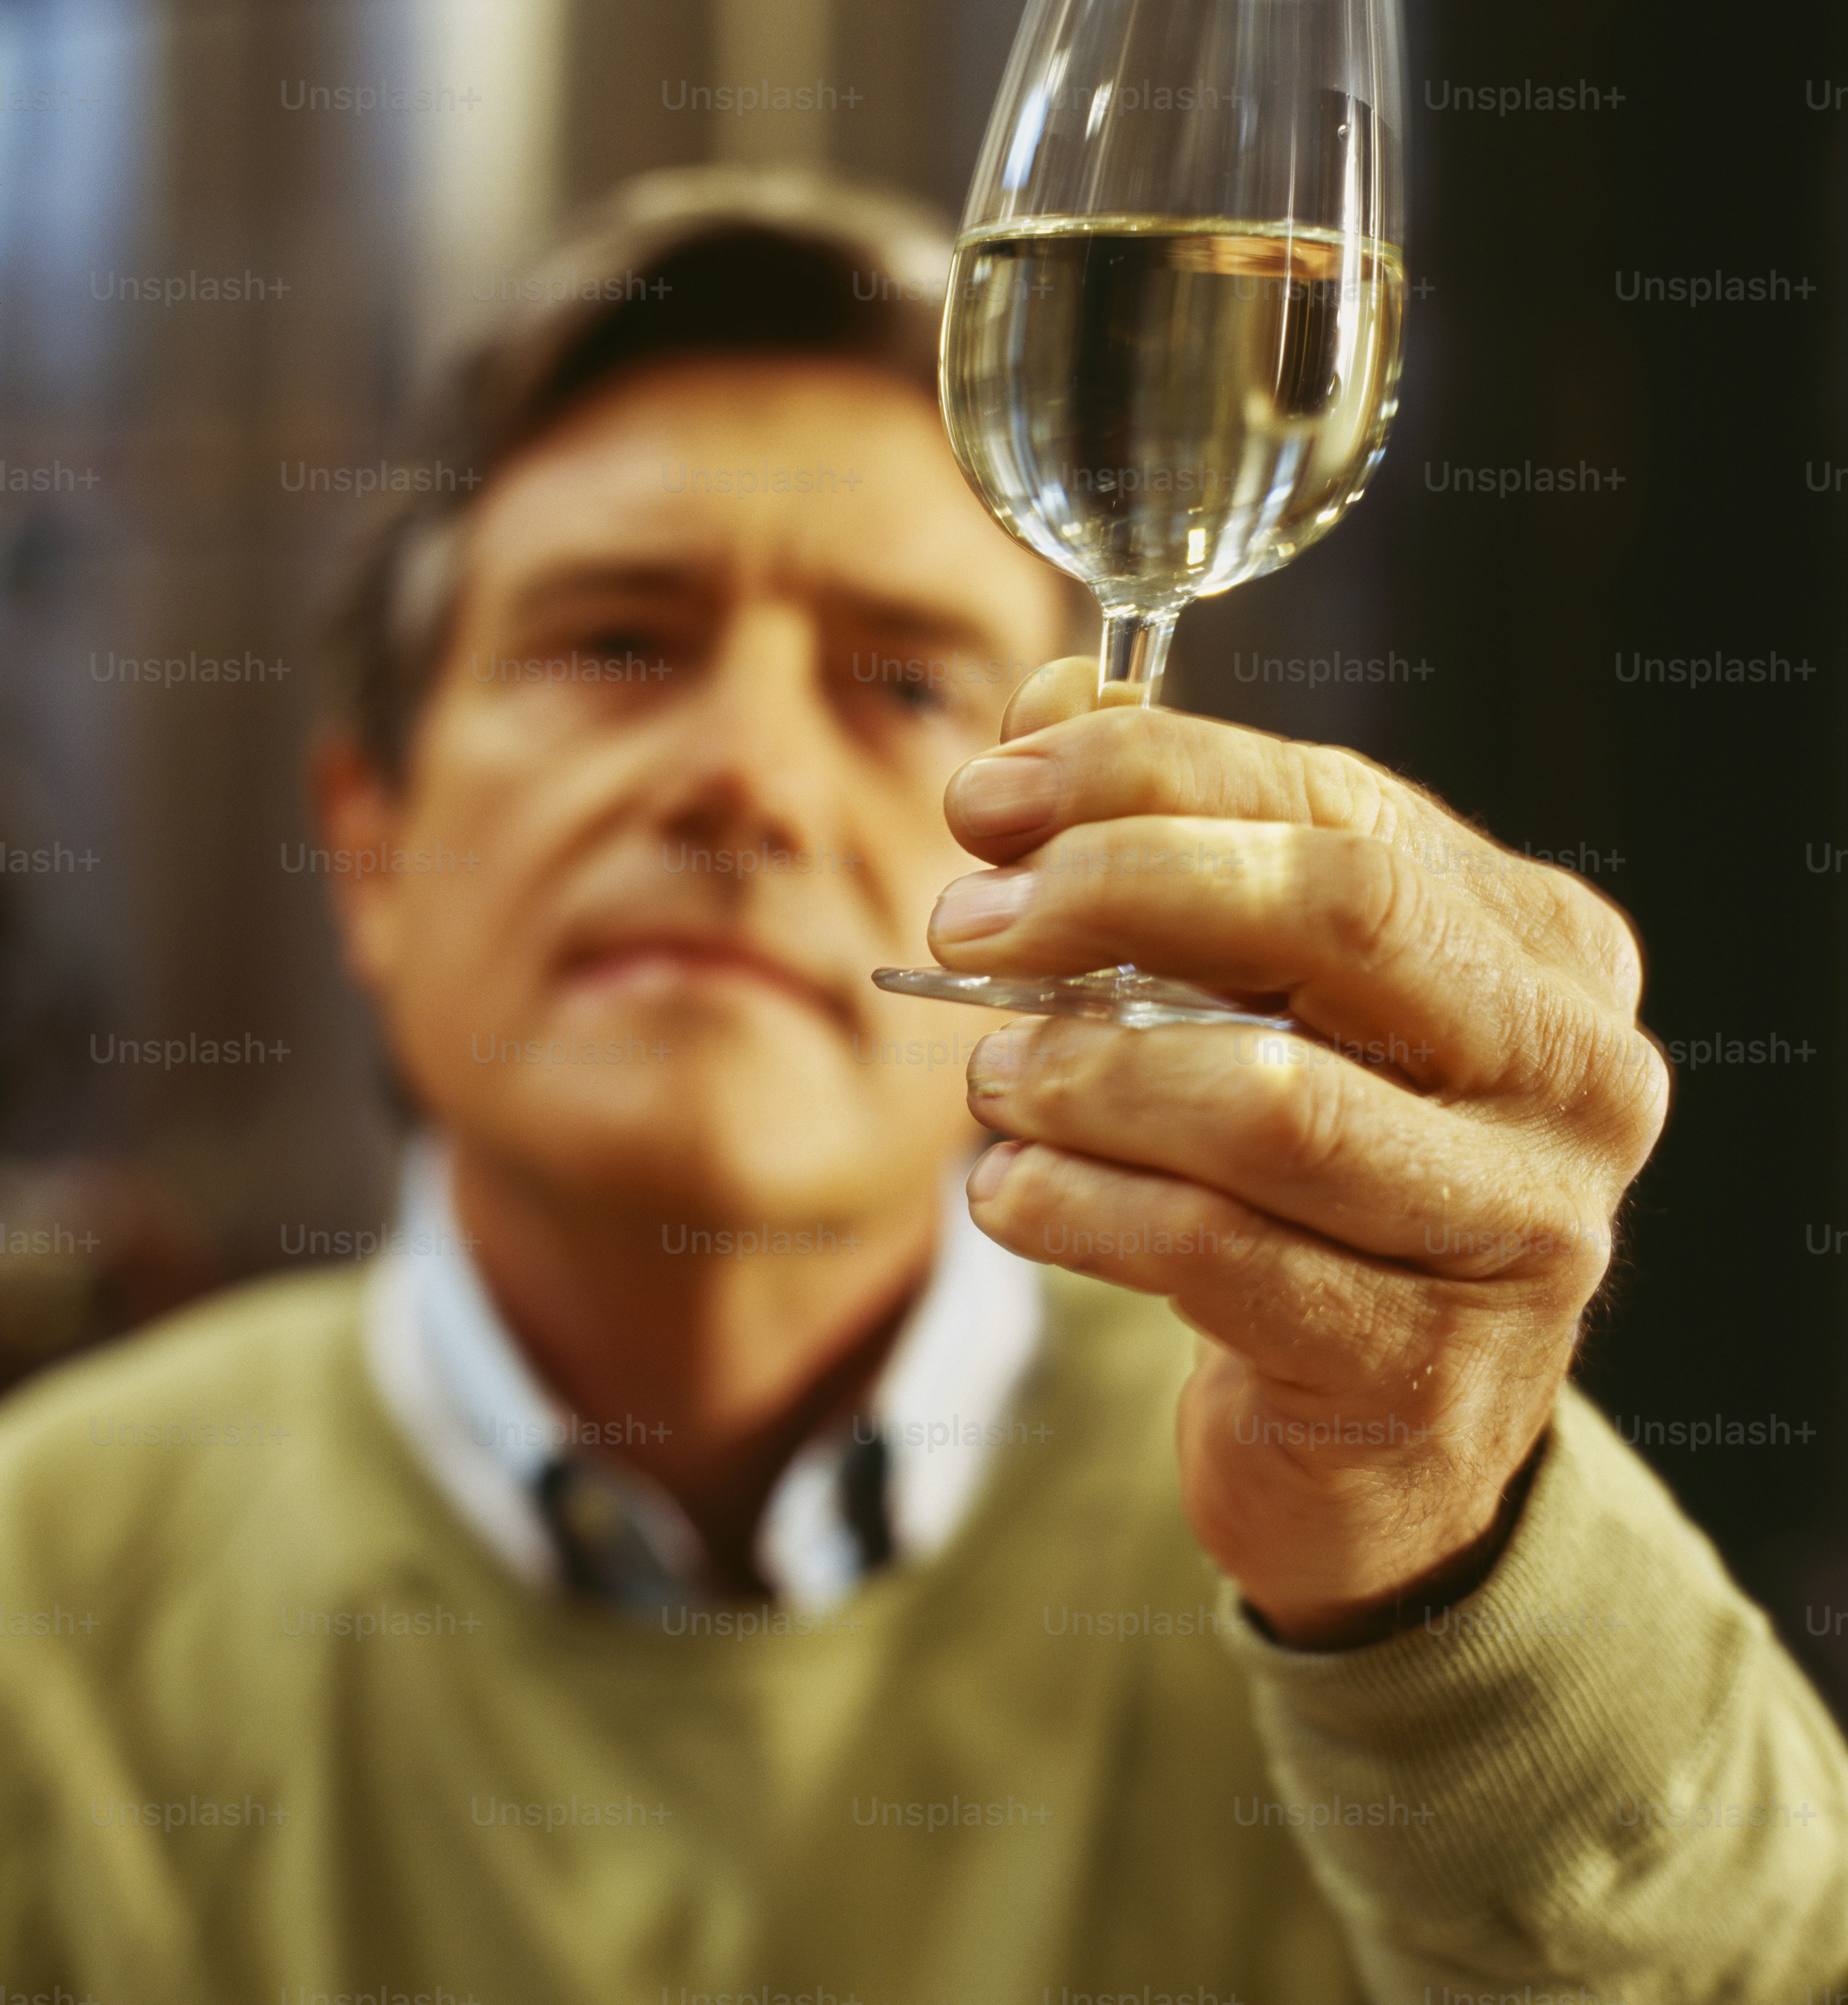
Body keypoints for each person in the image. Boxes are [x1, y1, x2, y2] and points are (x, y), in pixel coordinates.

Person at [0, 162, 1843, 2004]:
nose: (747, 781)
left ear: (1077, 838)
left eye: (904, 686)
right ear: (372, 846)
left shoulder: (1358, 1495)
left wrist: (1440, 1593)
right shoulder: (47, 1584)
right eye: (616, 642)